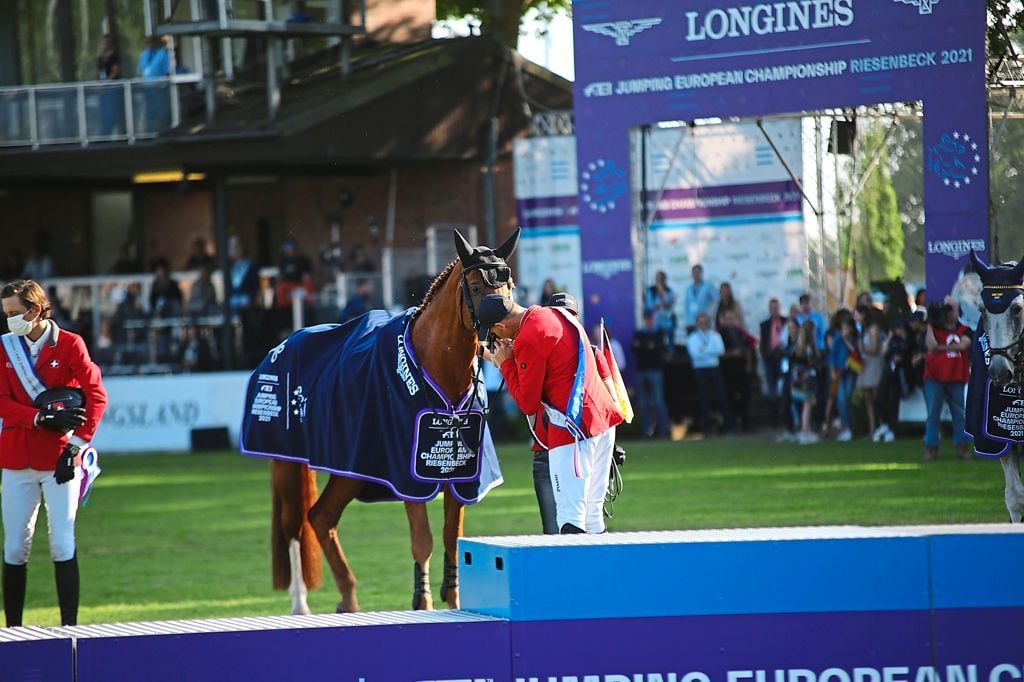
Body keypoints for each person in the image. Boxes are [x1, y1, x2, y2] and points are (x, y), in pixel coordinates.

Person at [0, 280, 109, 627]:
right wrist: (38, 417)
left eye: (15, 312)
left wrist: (77, 445)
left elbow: (96, 395)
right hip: (16, 458)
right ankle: (12, 632)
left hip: (60, 457)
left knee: (62, 543)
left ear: (35, 309)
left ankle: (69, 632)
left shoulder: (71, 344)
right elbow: (2, 401)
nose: (10, 320)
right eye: (6, 314)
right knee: (15, 547)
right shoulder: (5, 347)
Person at [490, 292, 622, 534]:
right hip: (602, 422)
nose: (498, 340)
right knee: (593, 518)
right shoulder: (554, 313)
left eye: (494, 334)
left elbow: (528, 404)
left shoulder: (528, 336)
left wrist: (506, 364)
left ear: (500, 326)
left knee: (571, 522)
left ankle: (577, 562)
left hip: (573, 431)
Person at [922, 300, 971, 461]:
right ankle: (931, 447)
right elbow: (930, 346)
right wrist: (930, 324)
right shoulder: (934, 328)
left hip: (956, 377)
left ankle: (961, 446)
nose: (950, 312)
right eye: (947, 309)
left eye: (952, 309)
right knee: (932, 414)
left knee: (959, 414)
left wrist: (940, 348)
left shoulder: (964, 329)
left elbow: (963, 346)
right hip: (934, 377)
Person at [686, 313, 733, 437]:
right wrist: (711, 352)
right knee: (704, 399)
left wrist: (704, 351)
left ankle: (728, 428)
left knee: (722, 397)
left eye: (705, 322)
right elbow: (695, 354)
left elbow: (721, 350)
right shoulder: (692, 338)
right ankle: (707, 429)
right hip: (700, 370)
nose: (703, 325)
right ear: (697, 324)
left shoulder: (715, 335)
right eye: (700, 323)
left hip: (714, 368)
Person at [631, 309, 670, 439]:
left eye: (650, 318)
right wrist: (649, 346)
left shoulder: (659, 333)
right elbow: (634, 347)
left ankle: (663, 432)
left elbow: (660, 348)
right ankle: (645, 433)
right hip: (641, 371)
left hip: (655, 370)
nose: (649, 321)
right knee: (643, 403)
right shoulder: (639, 333)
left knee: (659, 402)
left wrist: (644, 346)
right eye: (647, 319)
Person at [719, 309, 755, 432]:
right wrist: (731, 353)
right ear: (723, 320)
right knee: (730, 397)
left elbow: (749, 347)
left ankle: (746, 423)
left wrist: (749, 365)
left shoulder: (741, 333)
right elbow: (718, 352)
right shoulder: (719, 334)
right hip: (728, 370)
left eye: (732, 318)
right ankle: (732, 423)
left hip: (742, 369)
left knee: (745, 396)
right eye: (728, 318)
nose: (730, 321)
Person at [855, 304, 887, 441]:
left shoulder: (873, 328)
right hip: (865, 365)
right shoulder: (862, 330)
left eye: (856, 314)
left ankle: (882, 425)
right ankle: (872, 428)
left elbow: (874, 349)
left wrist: (863, 351)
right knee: (868, 398)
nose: (855, 317)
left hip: (874, 364)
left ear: (863, 314)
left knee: (877, 396)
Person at [791, 318, 823, 445]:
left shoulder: (798, 345)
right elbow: (814, 360)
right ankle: (805, 431)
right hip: (807, 378)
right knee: (808, 404)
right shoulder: (809, 347)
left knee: (806, 404)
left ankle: (806, 429)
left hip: (798, 377)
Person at [759, 298, 787, 430]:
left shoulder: (786, 322)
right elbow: (762, 344)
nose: (774, 310)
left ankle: (787, 418)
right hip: (770, 361)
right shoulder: (764, 325)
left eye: (776, 307)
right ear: (769, 309)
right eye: (772, 308)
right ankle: (773, 421)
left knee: (786, 388)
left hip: (784, 359)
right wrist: (766, 357)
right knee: (772, 391)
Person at [137, 35, 172, 132]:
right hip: (148, 90)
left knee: (161, 114)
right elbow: (141, 72)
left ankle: (163, 132)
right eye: (147, 42)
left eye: (150, 42)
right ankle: (151, 133)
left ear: (155, 42)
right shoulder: (143, 55)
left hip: (160, 90)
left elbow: (168, 72)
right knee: (149, 114)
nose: (149, 44)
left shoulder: (162, 54)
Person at [275, 239, 314, 308]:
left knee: (310, 286)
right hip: (287, 284)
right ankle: (283, 309)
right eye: (287, 249)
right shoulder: (283, 260)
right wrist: (278, 284)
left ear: (295, 248)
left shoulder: (303, 259)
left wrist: (304, 283)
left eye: (290, 248)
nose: (288, 250)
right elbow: (279, 276)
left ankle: (309, 308)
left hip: (300, 284)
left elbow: (306, 276)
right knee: (280, 288)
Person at [96, 33, 122, 135]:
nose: (102, 45)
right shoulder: (100, 58)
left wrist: (106, 83)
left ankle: (115, 132)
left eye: (104, 43)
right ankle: (104, 133)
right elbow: (99, 73)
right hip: (103, 91)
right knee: (104, 113)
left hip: (112, 90)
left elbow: (115, 71)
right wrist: (98, 84)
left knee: (112, 112)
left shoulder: (113, 57)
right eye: (101, 43)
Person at [644, 270, 677, 347]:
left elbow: (670, 304)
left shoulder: (669, 290)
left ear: (665, 280)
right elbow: (650, 306)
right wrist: (664, 305)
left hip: (667, 321)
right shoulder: (650, 290)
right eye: (658, 279)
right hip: (654, 323)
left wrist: (662, 293)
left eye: (662, 279)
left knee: (668, 343)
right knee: (654, 343)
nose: (660, 281)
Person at [683, 264, 717, 334]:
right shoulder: (689, 288)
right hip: (691, 322)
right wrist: (687, 321)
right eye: (694, 272)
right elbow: (687, 306)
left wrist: (710, 316)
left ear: (702, 273)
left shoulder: (708, 286)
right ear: (692, 274)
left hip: (703, 322)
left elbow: (716, 301)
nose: (696, 274)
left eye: (698, 272)